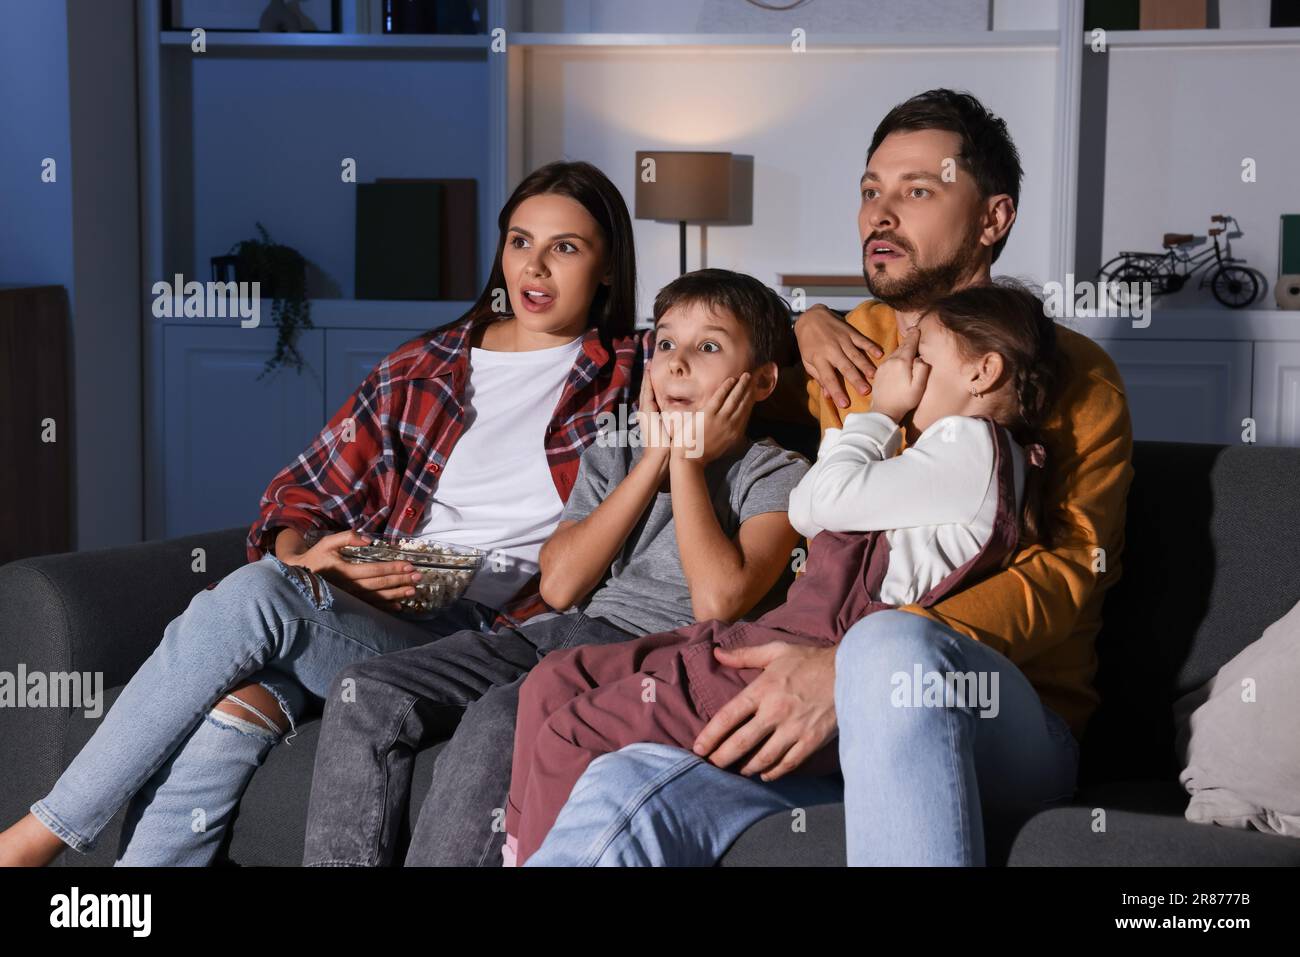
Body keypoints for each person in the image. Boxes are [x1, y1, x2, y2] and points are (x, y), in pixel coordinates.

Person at [530, 88, 1134, 868]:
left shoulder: (1076, 375)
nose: (882, 213)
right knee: (621, 787)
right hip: (809, 684)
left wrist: (845, 670)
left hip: (996, 705)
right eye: (870, 191)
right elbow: (715, 350)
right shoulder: (846, 346)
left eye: (918, 190)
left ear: (993, 219)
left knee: (889, 651)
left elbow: (1066, 578)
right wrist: (805, 317)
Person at [0, 159, 646, 866]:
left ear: (608, 267)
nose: (536, 267)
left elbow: (756, 339)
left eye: (567, 247)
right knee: (242, 697)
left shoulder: (634, 371)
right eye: (520, 241)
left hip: (486, 638)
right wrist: (308, 554)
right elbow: (297, 498)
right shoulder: (423, 367)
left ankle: (38, 838)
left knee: (251, 615)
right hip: (377, 604)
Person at [507, 281, 1057, 864]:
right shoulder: (940, 453)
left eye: (921, 357)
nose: (904, 368)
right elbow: (560, 586)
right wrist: (810, 319)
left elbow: (817, 504)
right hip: (779, 637)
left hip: (814, 658)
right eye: (665, 344)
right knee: (553, 681)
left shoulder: (973, 448)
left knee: (576, 729)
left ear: (983, 371)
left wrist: (880, 413)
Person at [301, 268, 810, 867]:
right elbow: (561, 584)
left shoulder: (777, 473)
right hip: (558, 632)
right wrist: (653, 460)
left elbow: (718, 604)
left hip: (657, 653)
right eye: (667, 343)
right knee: (368, 691)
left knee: (500, 719)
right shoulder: (618, 448)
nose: (677, 364)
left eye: (708, 347)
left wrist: (688, 467)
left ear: (761, 381)